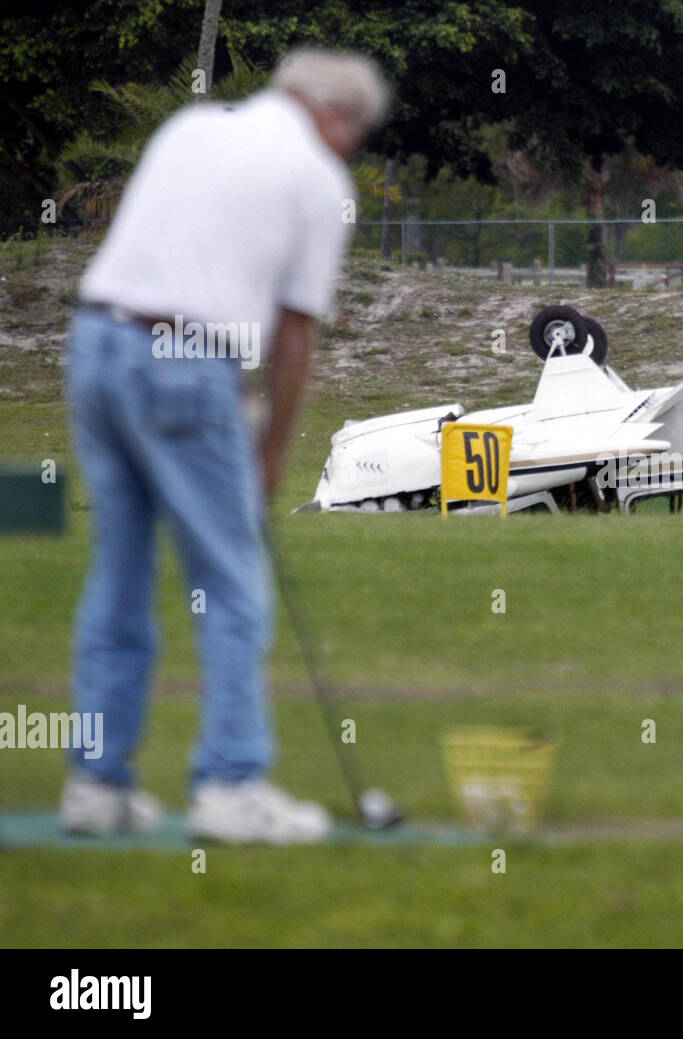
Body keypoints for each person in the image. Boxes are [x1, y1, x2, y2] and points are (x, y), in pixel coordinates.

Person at [60, 49, 389, 843]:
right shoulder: (317, 178)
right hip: (183, 367)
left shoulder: (193, 126)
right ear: (337, 116)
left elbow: (188, 263)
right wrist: (272, 452)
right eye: (359, 135)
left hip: (97, 341)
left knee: (120, 574)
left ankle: (96, 786)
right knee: (233, 579)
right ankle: (232, 783)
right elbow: (294, 334)